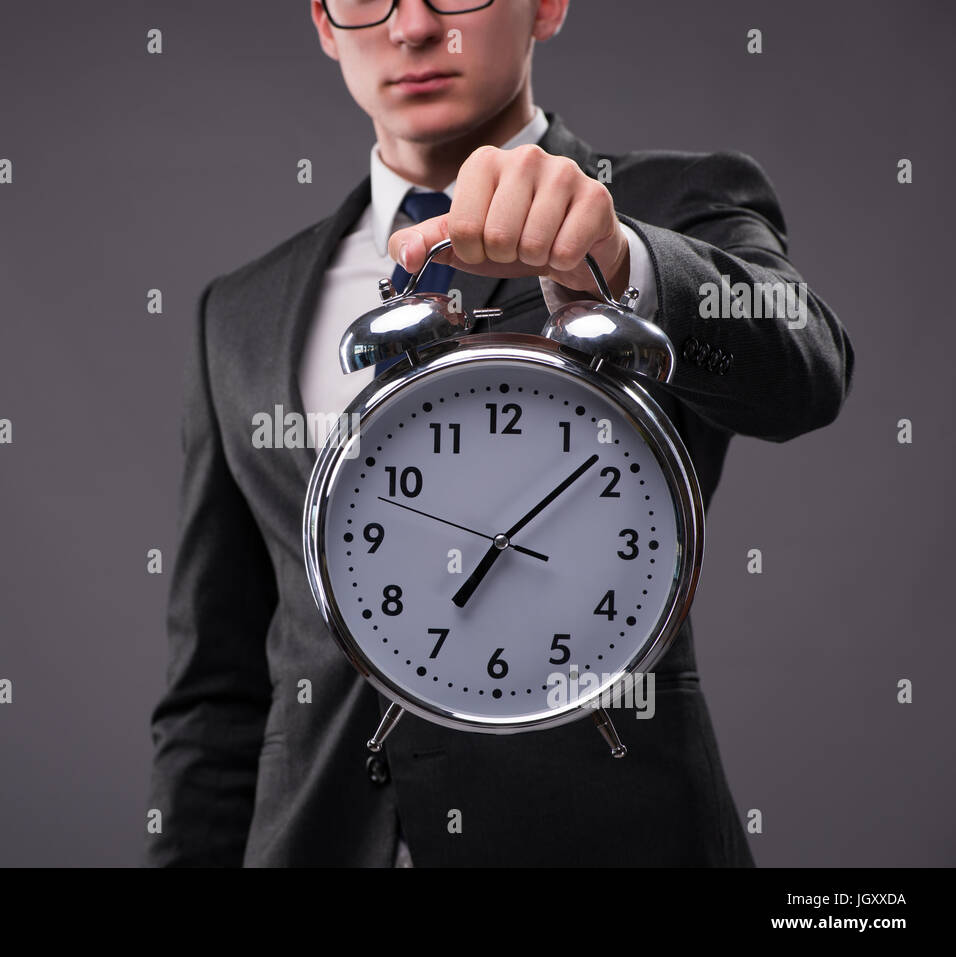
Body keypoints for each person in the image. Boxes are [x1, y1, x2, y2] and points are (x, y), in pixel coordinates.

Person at [144, 0, 854, 867]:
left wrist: (622, 263)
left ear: (547, 6)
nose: (411, 28)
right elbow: (214, 697)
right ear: (324, 24)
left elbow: (808, 367)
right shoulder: (239, 310)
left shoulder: (673, 206)